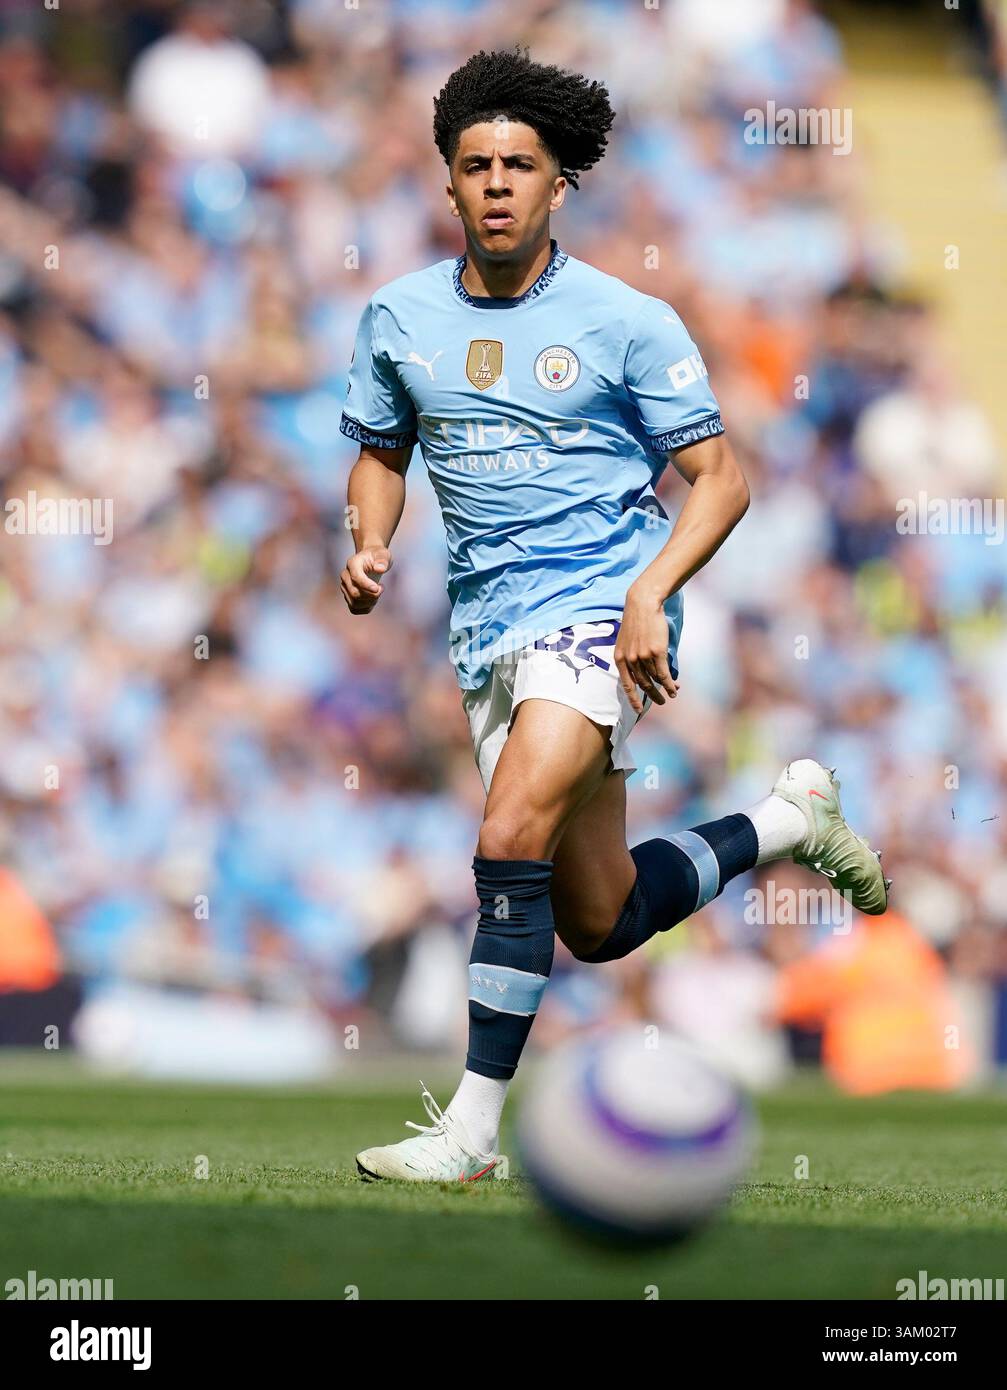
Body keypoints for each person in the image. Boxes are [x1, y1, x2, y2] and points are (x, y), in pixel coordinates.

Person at [339, 48, 889, 1182]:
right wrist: (369, 535)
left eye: (518, 165)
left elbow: (722, 478)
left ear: (557, 186)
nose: (495, 182)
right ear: (447, 182)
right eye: (474, 164)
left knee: (503, 837)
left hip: (600, 605)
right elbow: (380, 454)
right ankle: (788, 820)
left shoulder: (625, 319)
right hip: (487, 628)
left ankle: (471, 1134)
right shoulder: (394, 317)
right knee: (597, 918)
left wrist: (649, 593)